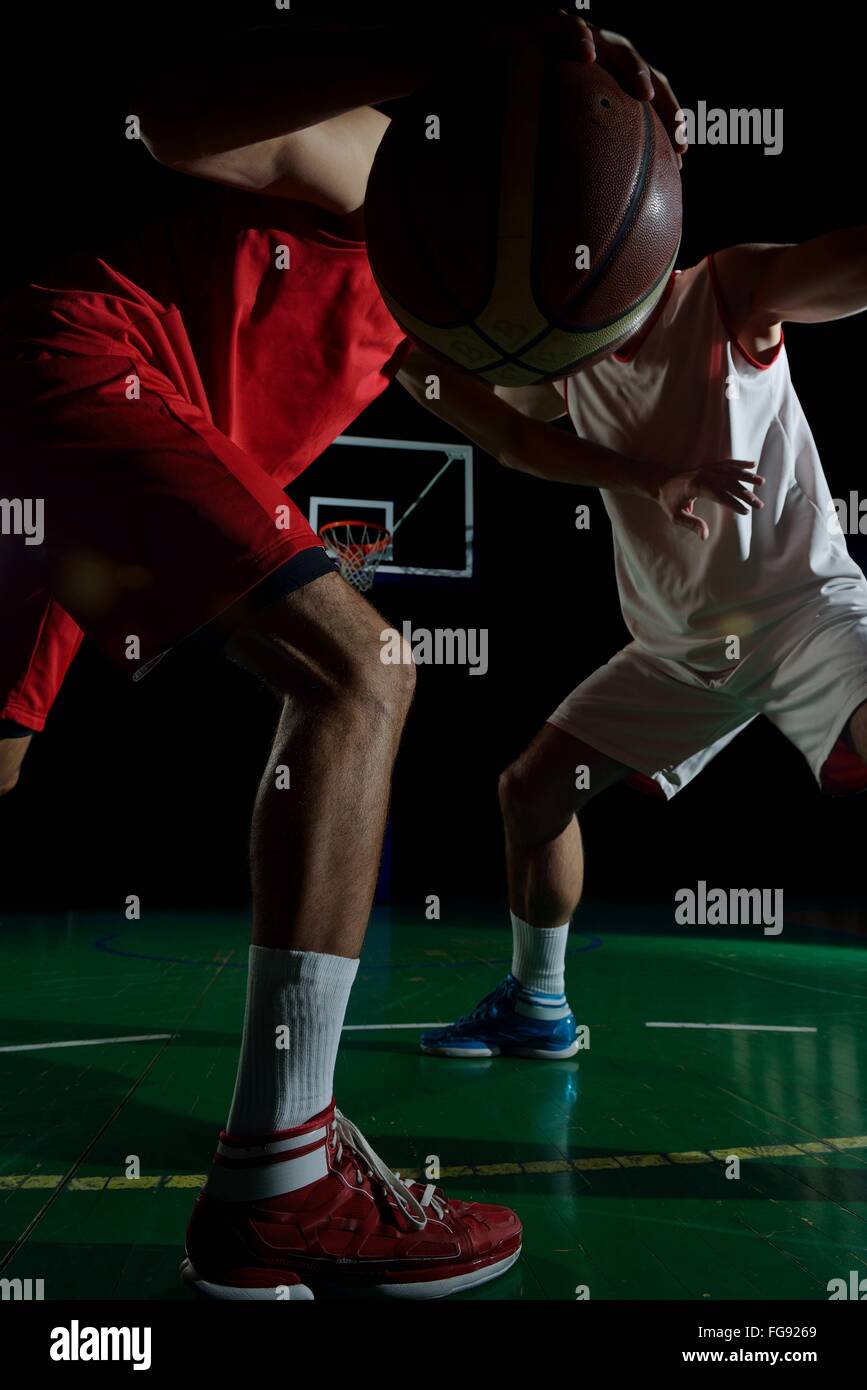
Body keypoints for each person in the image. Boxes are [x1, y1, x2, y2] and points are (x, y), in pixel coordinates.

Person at [0, 7, 699, 1298]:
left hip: (69, 473)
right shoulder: (399, 157)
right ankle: (283, 1181)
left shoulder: (437, 301)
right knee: (359, 668)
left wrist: (646, 468)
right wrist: (451, 48)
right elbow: (173, 120)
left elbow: (517, 434)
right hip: (84, 368)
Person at [414, 224, 867, 1061]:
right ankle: (536, 1005)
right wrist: (408, 348)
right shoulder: (569, 353)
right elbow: (511, 428)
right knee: (531, 791)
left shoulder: (727, 290)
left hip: (804, 614)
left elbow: (847, 271)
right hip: (678, 651)